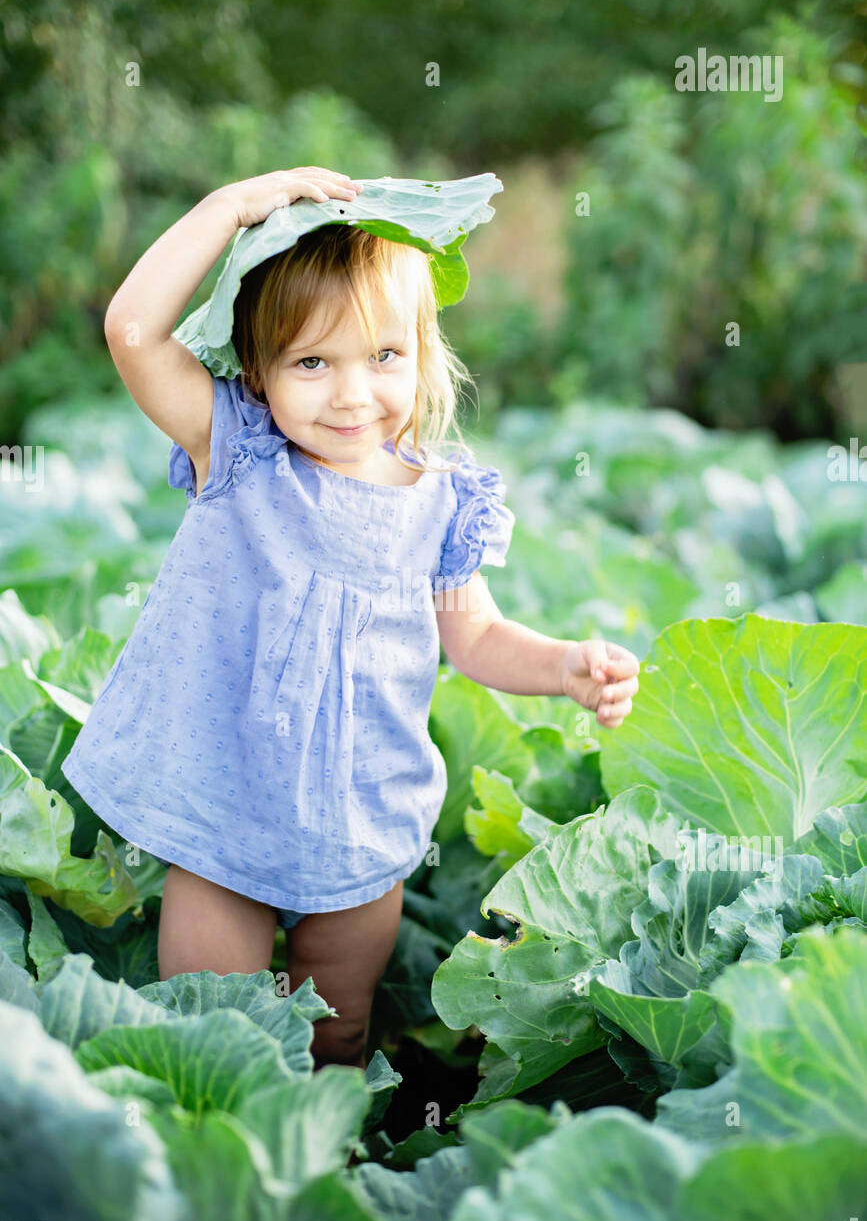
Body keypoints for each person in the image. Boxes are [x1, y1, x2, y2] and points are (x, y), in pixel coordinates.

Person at [60, 166, 640, 1071]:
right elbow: (131, 331)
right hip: (224, 812)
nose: (351, 394)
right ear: (257, 369)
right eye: (311, 363)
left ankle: (333, 1173)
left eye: (382, 357)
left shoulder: (445, 504)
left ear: (422, 353)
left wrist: (564, 666)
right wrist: (231, 209)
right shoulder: (238, 449)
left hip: (359, 817)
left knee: (339, 1029)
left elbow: (475, 637)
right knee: (205, 1029)